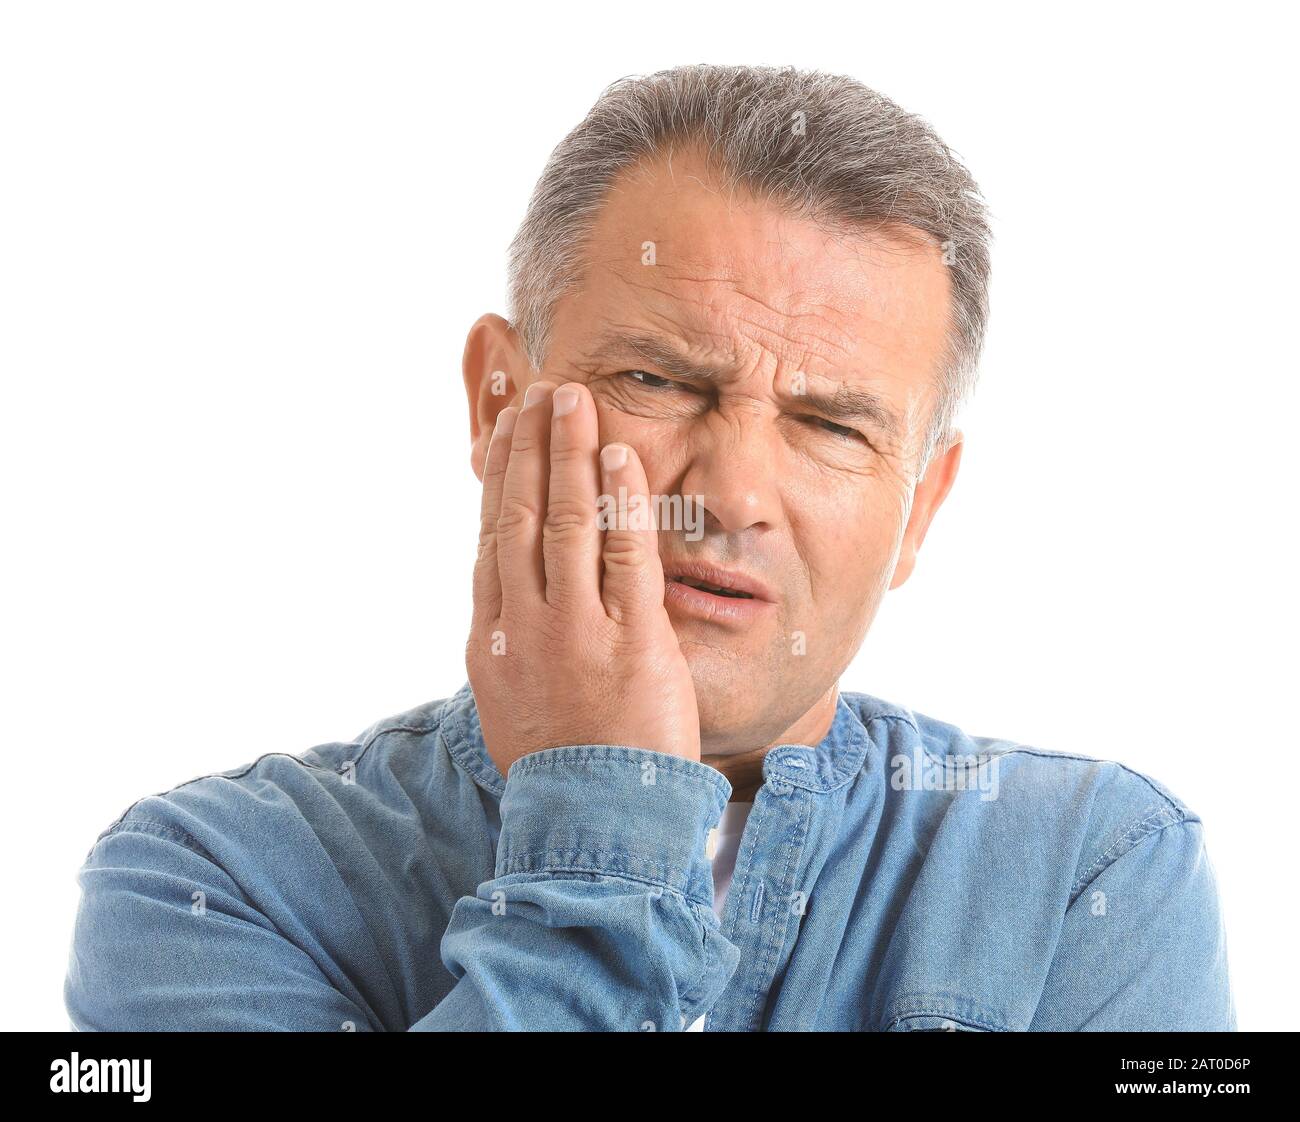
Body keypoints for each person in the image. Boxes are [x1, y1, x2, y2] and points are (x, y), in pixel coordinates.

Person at [65, 64, 1234, 1031]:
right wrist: (603, 825)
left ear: (920, 506)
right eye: (655, 379)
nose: (731, 496)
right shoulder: (212, 885)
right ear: (495, 402)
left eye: (830, 424)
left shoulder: (1095, 870)